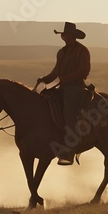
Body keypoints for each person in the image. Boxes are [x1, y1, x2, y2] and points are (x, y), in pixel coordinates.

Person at [35, 22, 91, 165]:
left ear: (72, 36)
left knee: (69, 114)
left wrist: (65, 78)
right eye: (62, 35)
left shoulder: (82, 50)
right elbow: (56, 72)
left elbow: (83, 71)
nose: (63, 36)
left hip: (75, 88)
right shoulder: (61, 52)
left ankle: (69, 152)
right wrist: (44, 79)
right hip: (63, 87)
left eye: (65, 34)